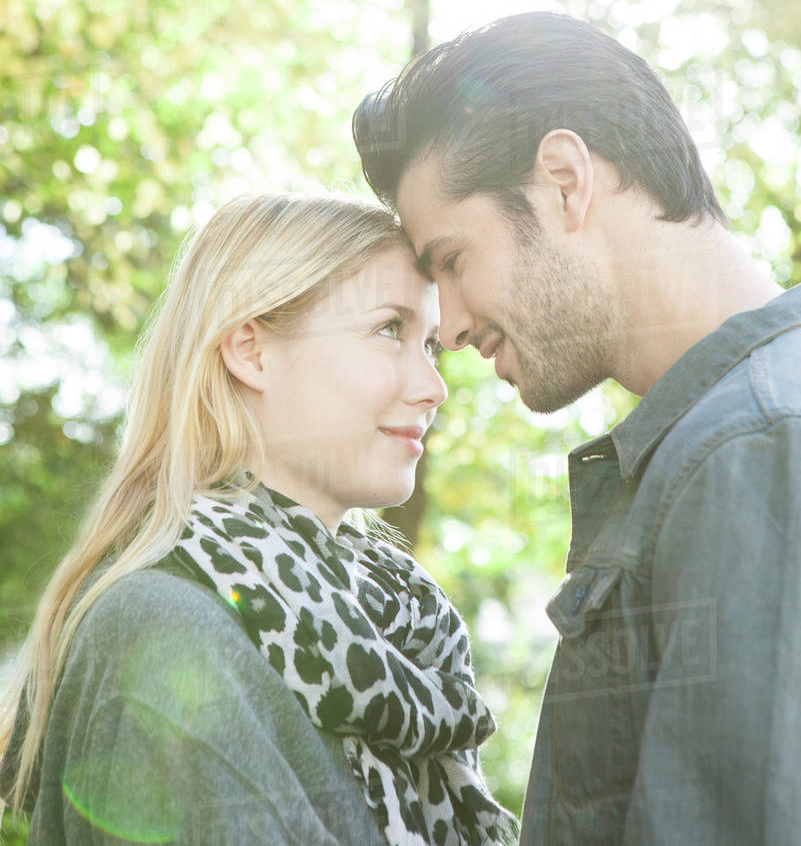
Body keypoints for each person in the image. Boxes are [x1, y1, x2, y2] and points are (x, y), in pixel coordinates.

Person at [352, 10, 801, 845]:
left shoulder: (757, 446)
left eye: (450, 261)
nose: (447, 327)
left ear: (564, 180)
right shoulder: (715, 444)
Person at [0, 191, 518, 846]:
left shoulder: (398, 627)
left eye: (431, 345)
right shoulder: (166, 632)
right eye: (389, 329)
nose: (432, 386)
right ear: (251, 350)